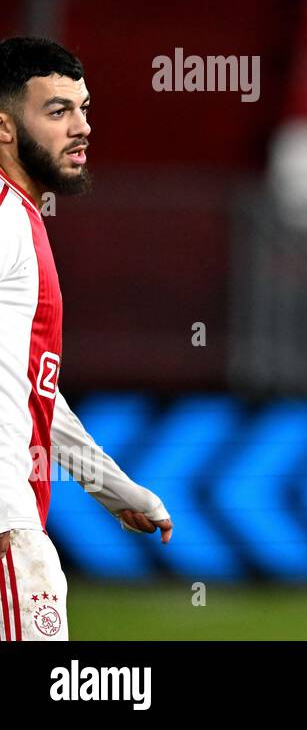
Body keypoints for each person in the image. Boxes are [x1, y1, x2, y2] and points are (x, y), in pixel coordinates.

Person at [0, 37, 173, 642]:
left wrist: (111, 486)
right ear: (3, 128)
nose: (82, 127)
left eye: (84, 107)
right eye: (57, 111)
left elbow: (32, 391)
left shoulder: (22, 218)